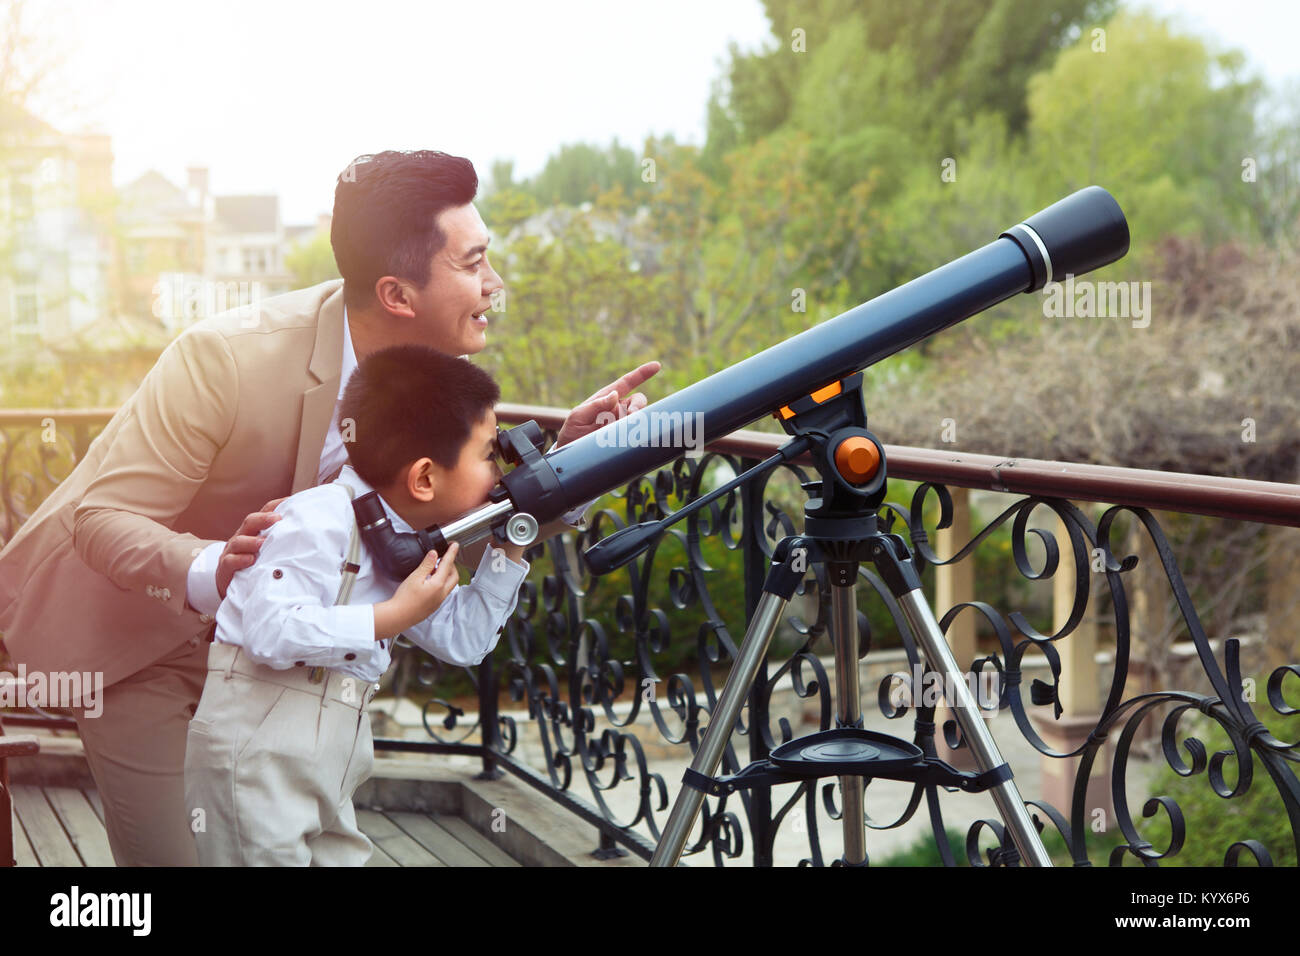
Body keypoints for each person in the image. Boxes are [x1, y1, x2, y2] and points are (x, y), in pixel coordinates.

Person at [0, 149, 660, 866]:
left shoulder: (442, 381)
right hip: (145, 639)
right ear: (397, 295)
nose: (496, 288)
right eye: (474, 265)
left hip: (287, 662)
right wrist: (218, 568)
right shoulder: (225, 357)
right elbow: (100, 519)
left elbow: (442, 522)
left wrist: (566, 461)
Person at [185, 344, 522, 865]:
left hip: (333, 769)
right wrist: (393, 616)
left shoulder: (404, 539)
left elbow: (465, 639)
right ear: (425, 478)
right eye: (488, 455)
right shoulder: (319, 516)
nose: (498, 473)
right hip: (254, 764)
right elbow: (270, 630)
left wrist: (510, 546)